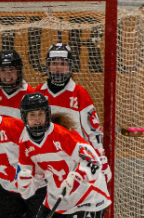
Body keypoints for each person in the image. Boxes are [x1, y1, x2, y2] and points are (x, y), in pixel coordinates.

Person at [14, 93, 121, 218]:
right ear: (24, 118)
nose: (36, 119)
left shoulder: (63, 135)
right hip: (58, 195)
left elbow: (93, 162)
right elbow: (29, 182)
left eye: (39, 114)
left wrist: (75, 177)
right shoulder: (25, 142)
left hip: (88, 193)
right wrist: (25, 182)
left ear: (46, 115)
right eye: (31, 115)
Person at [35, 43, 111, 182]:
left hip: (73, 162)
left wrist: (100, 157)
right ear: (48, 66)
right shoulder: (38, 93)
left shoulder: (79, 93)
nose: (58, 68)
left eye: (63, 64)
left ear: (70, 67)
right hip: (45, 162)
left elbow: (93, 131)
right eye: (54, 63)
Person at [0, 50, 36, 207]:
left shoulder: (30, 94)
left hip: (18, 161)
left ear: (19, 71)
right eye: (3, 71)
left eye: (11, 70)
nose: (7, 75)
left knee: (21, 205)